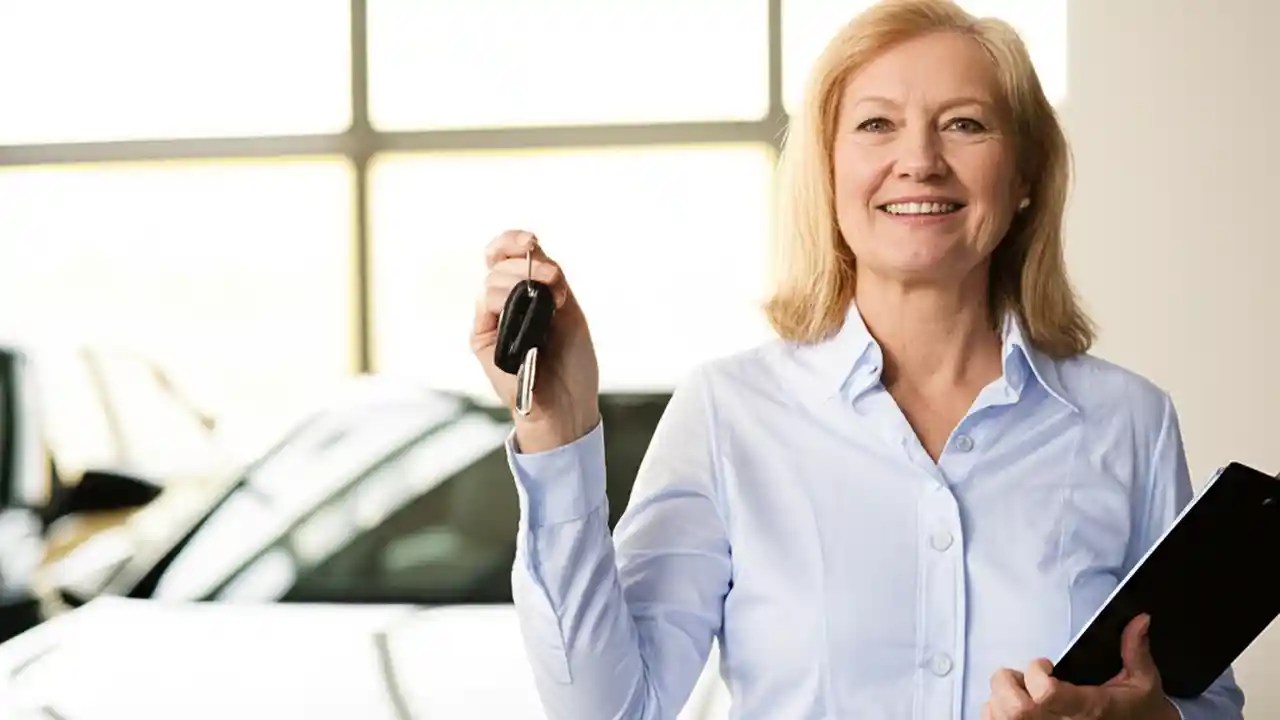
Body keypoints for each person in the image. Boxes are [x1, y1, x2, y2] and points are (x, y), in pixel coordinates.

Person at [470, 1, 1247, 718]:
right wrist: (558, 428)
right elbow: (610, 710)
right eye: (876, 125)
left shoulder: (1129, 421)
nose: (920, 160)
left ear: (1025, 181)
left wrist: (1154, 718)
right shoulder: (728, 413)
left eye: (966, 125)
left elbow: (1204, 700)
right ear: (829, 173)